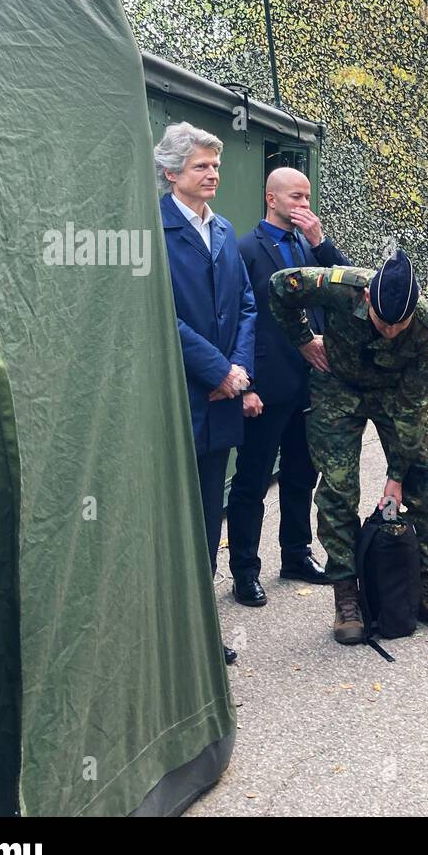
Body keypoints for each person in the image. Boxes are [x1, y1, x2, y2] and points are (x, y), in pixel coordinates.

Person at [268, 249, 428, 644]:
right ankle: (346, 595)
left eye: (399, 325)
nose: (391, 332)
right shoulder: (341, 286)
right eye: (382, 322)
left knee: (423, 481)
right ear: (369, 299)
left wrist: (396, 478)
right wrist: (303, 340)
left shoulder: (426, 329)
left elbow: (413, 408)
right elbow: (279, 286)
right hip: (338, 386)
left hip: (394, 394)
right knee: (338, 488)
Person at [155, 121, 256, 666]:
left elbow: (244, 307)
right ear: (172, 173)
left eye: (216, 165)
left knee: (206, 520)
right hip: (178, 402)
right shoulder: (152, 228)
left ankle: (198, 638)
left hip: (221, 405)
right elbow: (159, 316)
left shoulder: (223, 231)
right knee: (175, 521)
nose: (213, 173)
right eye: (201, 166)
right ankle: (169, 640)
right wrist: (217, 370)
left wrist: (238, 369)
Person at [225, 168, 349, 605]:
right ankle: (244, 571)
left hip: (311, 384)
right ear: (270, 198)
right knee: (252, 481)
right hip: (266, 384)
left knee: (301, 475)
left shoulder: (305, 244)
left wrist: (319, 240)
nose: (303, 204)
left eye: (308, 197)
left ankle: (296, 555)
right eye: (295, 196)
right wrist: (246, 386)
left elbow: (346, 287)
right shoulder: (244, 249)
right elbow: (240, 320)